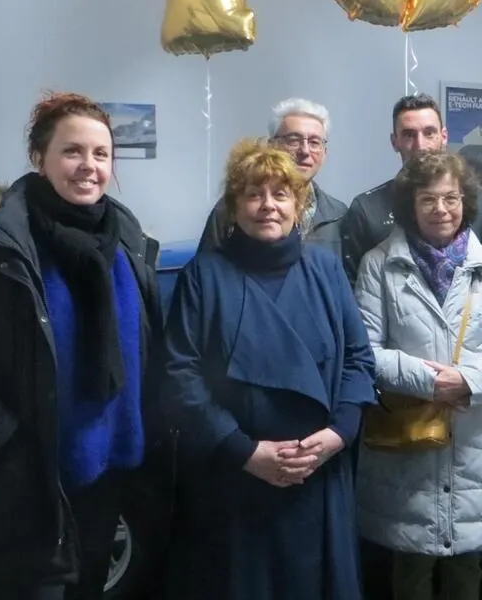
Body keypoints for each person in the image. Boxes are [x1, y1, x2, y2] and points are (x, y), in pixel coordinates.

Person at [0, 93, 165, 600]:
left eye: (102, 154)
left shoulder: (128, 242)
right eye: (72, 151)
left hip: (106, 475)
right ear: (39, 158)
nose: (89, 166)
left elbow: (147, 346)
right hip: (22, 481)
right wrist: (4, 439)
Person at [161, 138, 377, 600]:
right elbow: (181, 375)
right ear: (235, 204)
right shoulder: (205, 274)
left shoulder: (325, 269)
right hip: (237, 474)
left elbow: (359, 359)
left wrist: (339, 433)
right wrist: (245, 451)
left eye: (281, 194)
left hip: (319, 470)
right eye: (254, 194)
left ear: (298, 205)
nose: (267, 206)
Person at [355, 151, 482, 600]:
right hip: (408, 436)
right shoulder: (379, 264)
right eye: (428, 199)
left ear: (465, 202)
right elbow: (364, 353)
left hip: (475, 440)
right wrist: (430, 381)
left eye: (450, 198)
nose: (440, 209)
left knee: (467, 564)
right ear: (411, 204)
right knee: (410, 561)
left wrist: (466, 382)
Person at [342, 93, 482, 284]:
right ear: (394, 141)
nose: (420, 145)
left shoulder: (475, 204)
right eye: (408, 135)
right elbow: (355, 289)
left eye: (429, 132)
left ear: (443, 136)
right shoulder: (366, 210)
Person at [197, 97, 346, 255]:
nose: (305, 151)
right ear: (271, 146)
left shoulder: (338, 214)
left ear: (325, 152)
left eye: (315, 142)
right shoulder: (233, 207)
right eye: (293, 140)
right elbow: (206, 273)